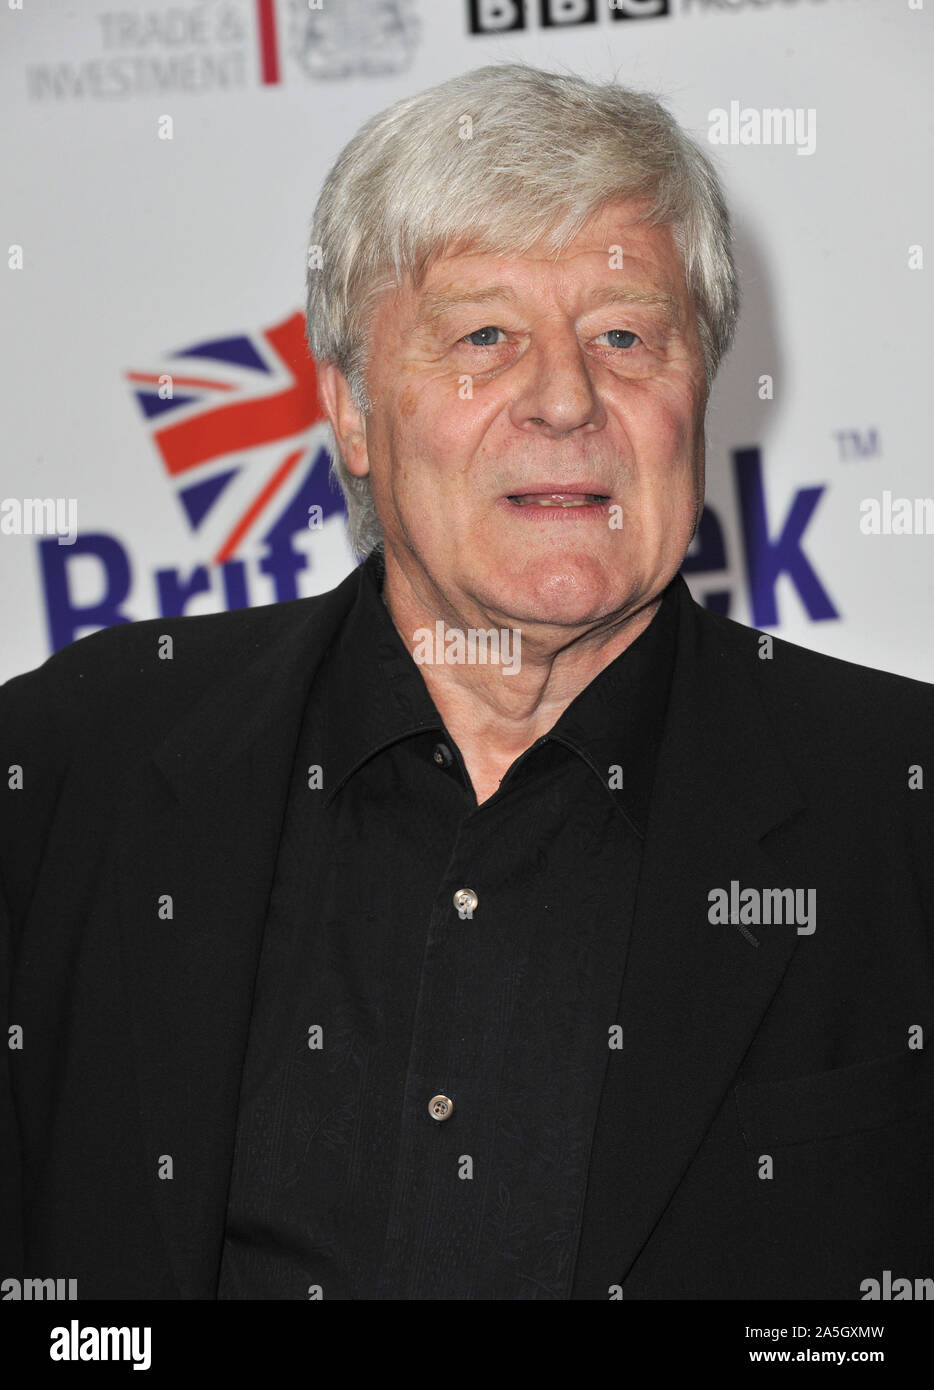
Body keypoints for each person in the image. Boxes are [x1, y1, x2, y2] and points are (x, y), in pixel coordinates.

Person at [2, 64, 932, 1301]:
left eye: (623, 336)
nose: (563, 398)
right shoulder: (75, 763)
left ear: (699, 389)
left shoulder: (898, 802)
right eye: (483, 336)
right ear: (348, 411)